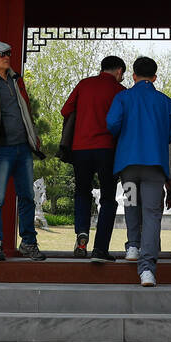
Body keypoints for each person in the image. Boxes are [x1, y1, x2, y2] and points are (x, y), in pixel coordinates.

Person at [0, 40, 46, 261]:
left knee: (27, 197)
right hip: (0, 150)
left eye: (8, 53)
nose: (6, 57)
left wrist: (34, 137)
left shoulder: (17, 80)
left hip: (23, 148)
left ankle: (29, 243)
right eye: (1, 54)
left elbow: (26, 111)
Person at [106, 56, 171, 287]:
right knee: (152, 214)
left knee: (131, 204)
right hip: (154, 167)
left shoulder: (123, 97)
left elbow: (112, 124)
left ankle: (133, 246)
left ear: (134, 76)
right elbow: (170, 134)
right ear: (155, 77)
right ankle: (147, 269)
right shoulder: (166, 102)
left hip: (128, 166)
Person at [60, 55, 126, 262]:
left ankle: (82, 233)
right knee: (107, 198)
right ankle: (100, 249)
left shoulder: (84, 84)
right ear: (119, 72)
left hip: (81, 148)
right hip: (108, 149)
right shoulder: (120, 91)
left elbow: (65, 110)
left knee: (82, 192)